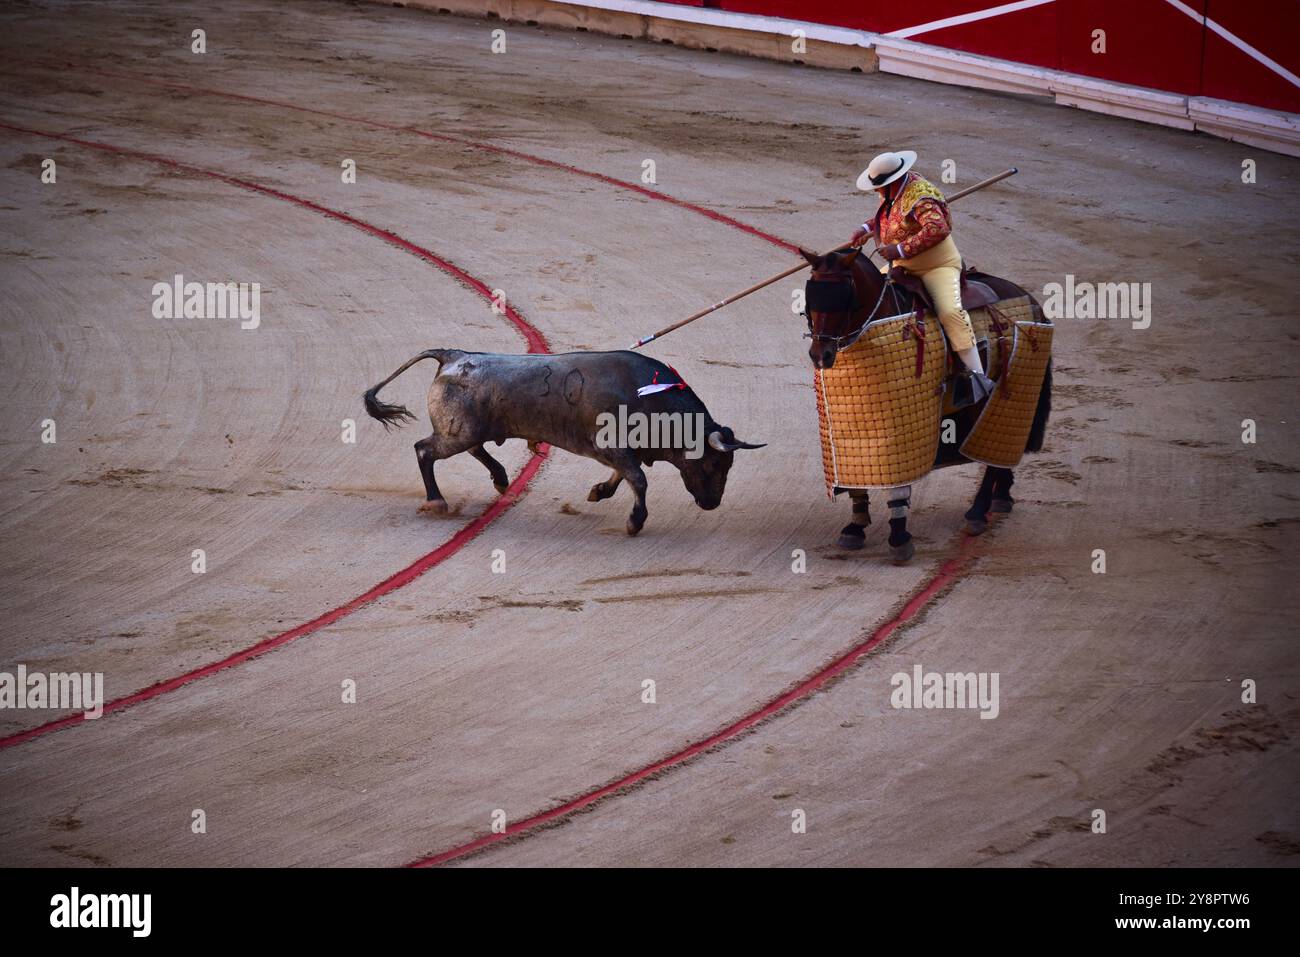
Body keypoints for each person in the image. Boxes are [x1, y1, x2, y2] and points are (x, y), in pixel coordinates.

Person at [849, 150, 993, 407]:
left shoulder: (922, 195)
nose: (876, 191)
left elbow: (937, 228)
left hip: (937, 266)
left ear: (893, 181)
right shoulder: (893, 193)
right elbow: (889, 217)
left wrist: (899, 249)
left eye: (880, 186)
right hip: (903, 266)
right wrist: (866, 229)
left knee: (950, 312)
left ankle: (977, 378)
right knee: (872, 299)